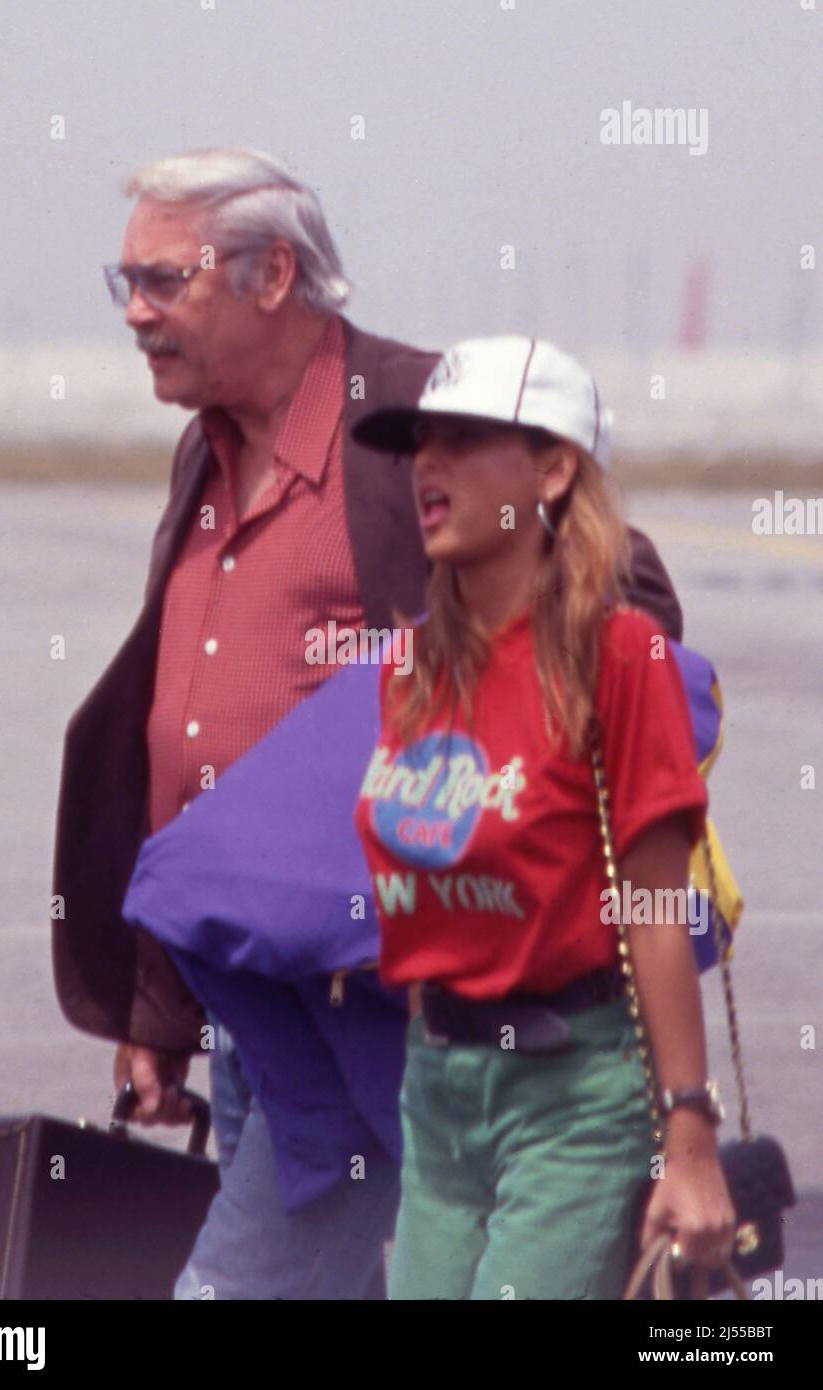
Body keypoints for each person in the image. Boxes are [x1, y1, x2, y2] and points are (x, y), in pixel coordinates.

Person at [51, 148, 684, 1300]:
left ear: (272, 274)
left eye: (161, 280)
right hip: (258, 1001)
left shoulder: (411, 419)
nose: (135, 311)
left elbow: (622, 601)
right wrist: (160, 1006)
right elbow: (192, 750)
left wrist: (460, 779)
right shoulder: (208, 449)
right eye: (123, 281)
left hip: (380, 1014)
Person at [352, 335, 736, 1299]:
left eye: (464, 438)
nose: (425, 466)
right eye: (420, 443)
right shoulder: (409, 667)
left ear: (553, 469)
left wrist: (688, 1134)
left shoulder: (620, 654)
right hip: (435, 1091)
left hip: (571, 1093)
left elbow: (657, 913)